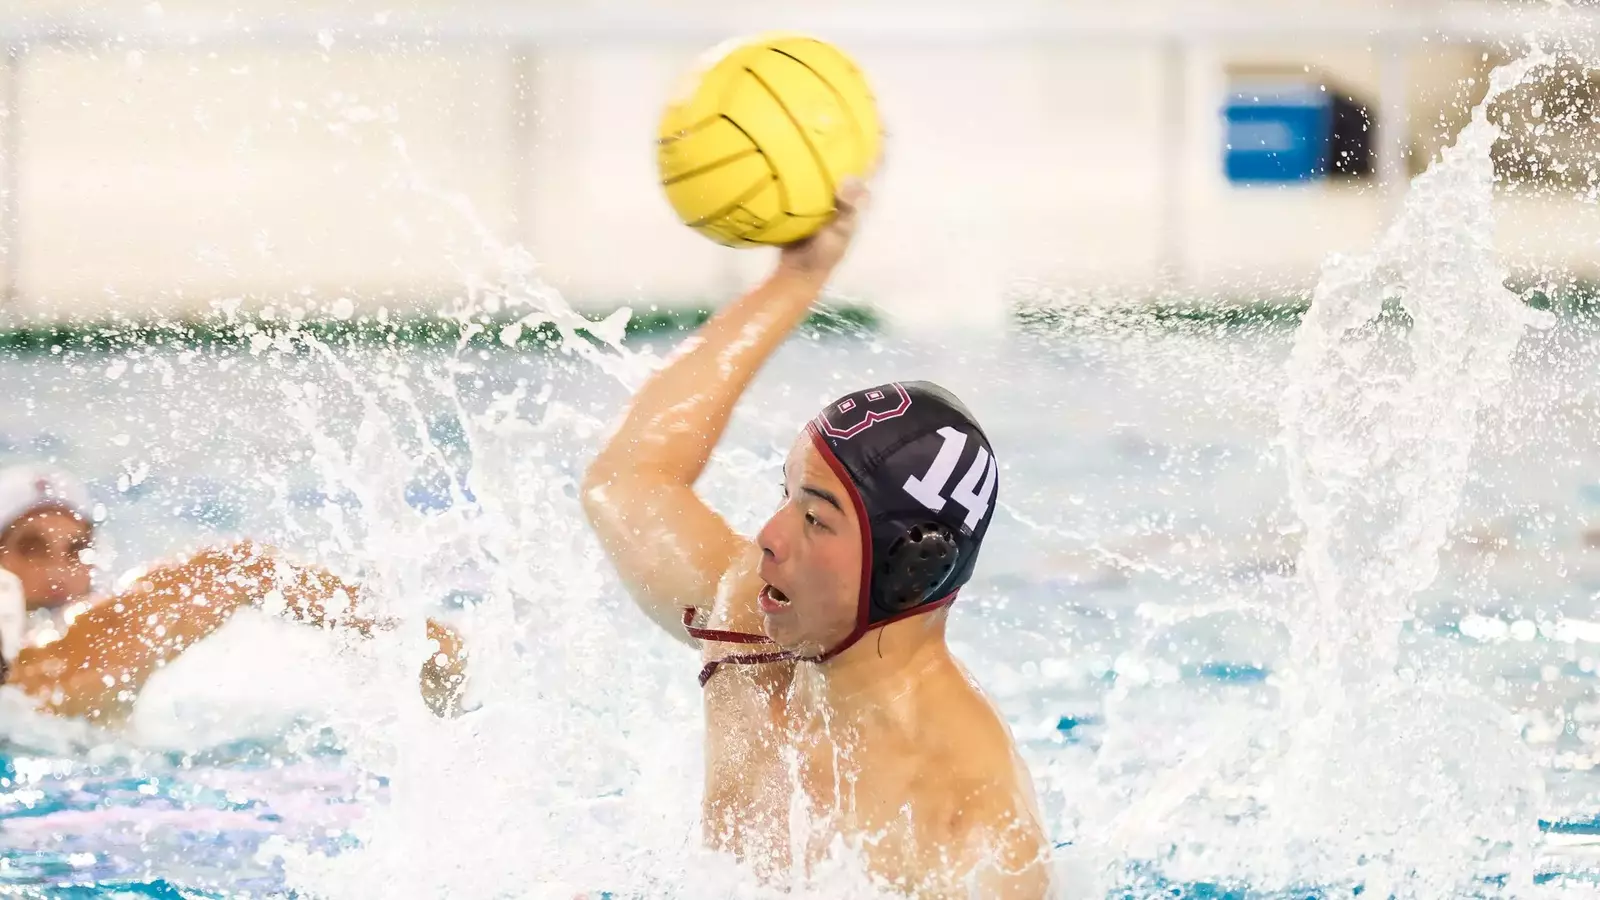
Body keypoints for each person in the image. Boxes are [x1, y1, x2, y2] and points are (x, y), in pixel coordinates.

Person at [581, 181, 1050, 897]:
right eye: (785, 496)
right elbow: (627, 481)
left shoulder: (969, 834)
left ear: (909, 565)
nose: (768, 537)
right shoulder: (754, 612)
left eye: (816, 518)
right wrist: (797, 278)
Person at [0, 463, 468, 723]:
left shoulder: (97, 634)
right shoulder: (53, 647)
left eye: (76, 548)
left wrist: (409, 635)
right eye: (33, 547)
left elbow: (237, 567)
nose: (58, 567)